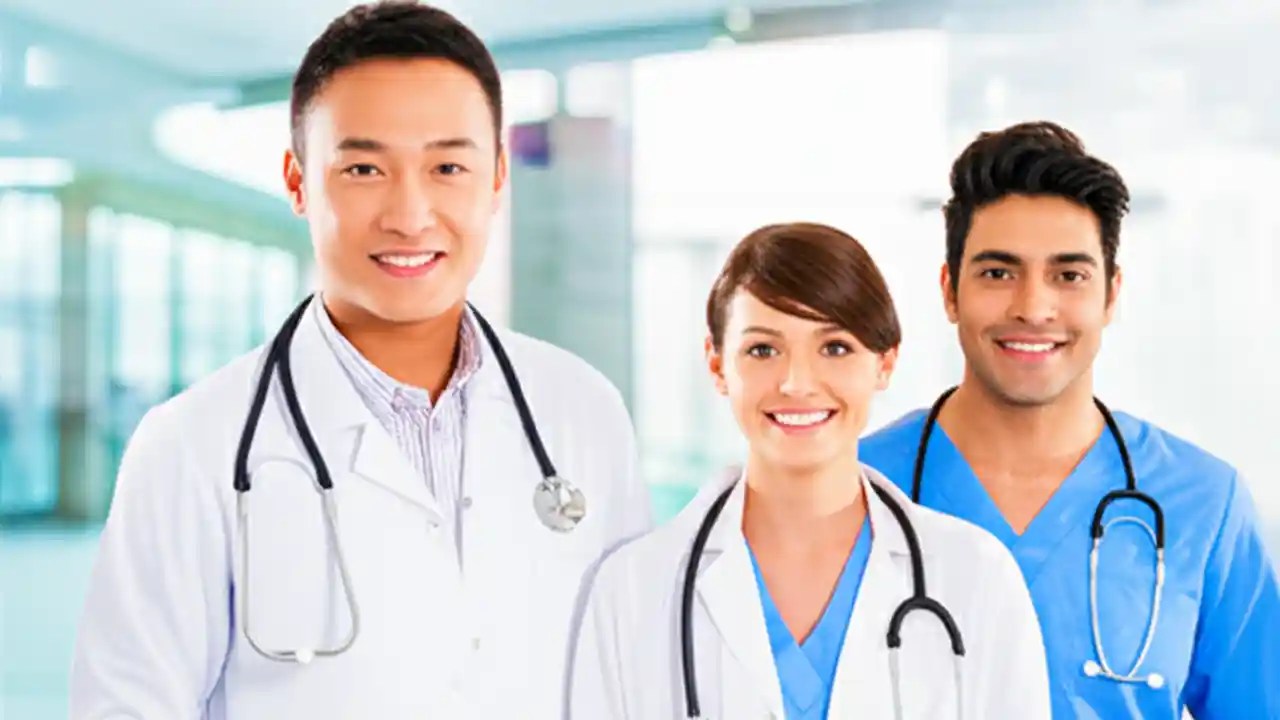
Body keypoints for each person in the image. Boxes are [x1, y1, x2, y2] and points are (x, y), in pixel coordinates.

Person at [69, 3, 652, 718]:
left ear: (497, 178)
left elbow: (636, 677)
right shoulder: (192, 445)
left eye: (447, 166)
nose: (409, 214)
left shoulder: (581, 411)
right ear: (297, 181)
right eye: (364, 167)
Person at [860, 121, 1280, 719]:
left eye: (1069, 275)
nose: (1033, 307)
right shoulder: (855, 491)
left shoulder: (1204, 504)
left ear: (1111, 294)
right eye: (998, 273)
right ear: (950, 291)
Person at [570, 222, 1050, 719]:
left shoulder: (975, 577)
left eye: (835, 348)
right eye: (763, 350)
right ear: (716, 365)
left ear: (884, 364)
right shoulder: (635, 588)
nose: (797, 383)